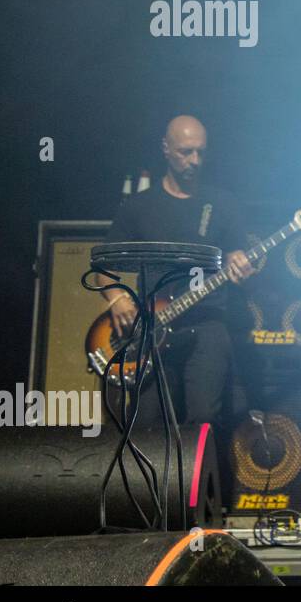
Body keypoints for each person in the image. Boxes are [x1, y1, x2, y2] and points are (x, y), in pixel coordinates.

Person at [98, 115, 255, 426]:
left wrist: (241, 265)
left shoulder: (224, 204)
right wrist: (116, 298)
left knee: (204, 418)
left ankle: (202, 459)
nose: (195, 160)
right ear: (166, 149)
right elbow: (104, 266)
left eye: (200, 152)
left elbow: (239, 259)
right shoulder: (139, 206)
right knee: (147, 421)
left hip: (207, 322)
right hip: (152, 327)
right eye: (186, 152)